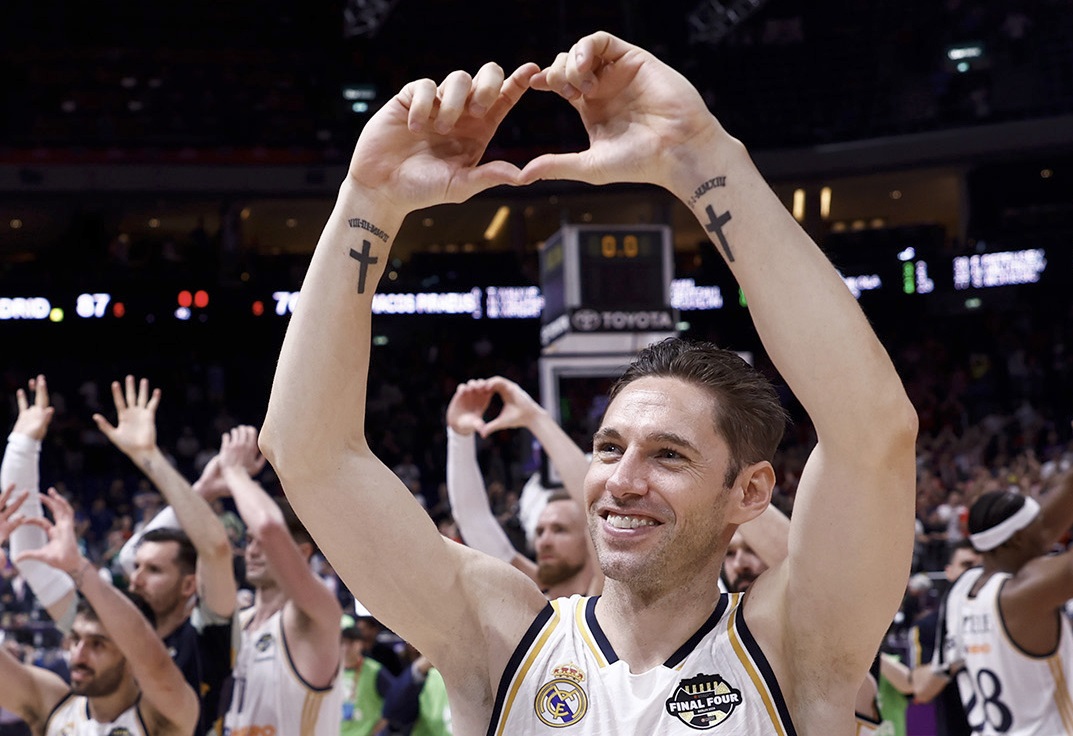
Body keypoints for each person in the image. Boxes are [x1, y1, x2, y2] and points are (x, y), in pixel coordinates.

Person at [260, 30, 917, 734]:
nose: (622, 480)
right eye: (609, 448)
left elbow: (871, 432)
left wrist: (704, 160)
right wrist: (368, 203)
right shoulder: (498, 637)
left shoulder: (796, 648)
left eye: (668, 455)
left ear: (750, 492)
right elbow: (309, 454)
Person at [98, 375, 237, 736]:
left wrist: (149, 457)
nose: (136, 578)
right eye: (138, 568)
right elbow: (131, 555)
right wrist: (202, 489)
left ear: (190, 585)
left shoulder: (205, 631)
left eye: (154, 571)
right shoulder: (124, 629)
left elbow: (215, 550)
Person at [0, 483, 199, 736]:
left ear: (131, 656)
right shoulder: (52, 705)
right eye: (76, 639)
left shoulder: (163, 716)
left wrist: (78, 567)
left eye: (97, 644)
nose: (78, 654)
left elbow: (154, 662)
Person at [216, 425, 344, 736]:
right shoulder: (239, 622)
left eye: (260, 543)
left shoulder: (316, 616)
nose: (251, 551)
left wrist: (235, 473)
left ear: (302, 552)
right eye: (248, 541)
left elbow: (269, 527)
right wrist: (206, 489)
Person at [936, 468, 1073, 736]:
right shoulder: (1023, 594)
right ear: (1019, 538)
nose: (1049, 535)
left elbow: (1062, 499)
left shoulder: (961, 591)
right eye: (1038, 526)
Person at [445, 376, 600, 597]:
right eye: (540, 531)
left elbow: (596, 506)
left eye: (560, 530)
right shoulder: (529, 596)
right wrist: (459, 436)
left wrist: (535, 418)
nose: (544, 541)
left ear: (592, 539)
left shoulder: (604, 599)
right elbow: (473, 519)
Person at [0, 376, 78, 633]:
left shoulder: (115, 636)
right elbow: (29, 559)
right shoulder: (102, 636)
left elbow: (29, 559)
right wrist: (22, 448)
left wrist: (22, 449)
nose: (136, 579)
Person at [909, 540, 980, 736]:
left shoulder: (1010, 616)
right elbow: (921, 690)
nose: (974, 574)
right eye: (966, 565)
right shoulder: (928, 626)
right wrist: (952, 655)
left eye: (981, 566)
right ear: (949, 572)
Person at [340, 624, 394, 736]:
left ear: (360, 644)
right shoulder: (332, 670)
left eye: (351, 643)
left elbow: (396, 698)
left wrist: (381, 725)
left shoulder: (374, 670)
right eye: (342, 643)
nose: (345, 648)